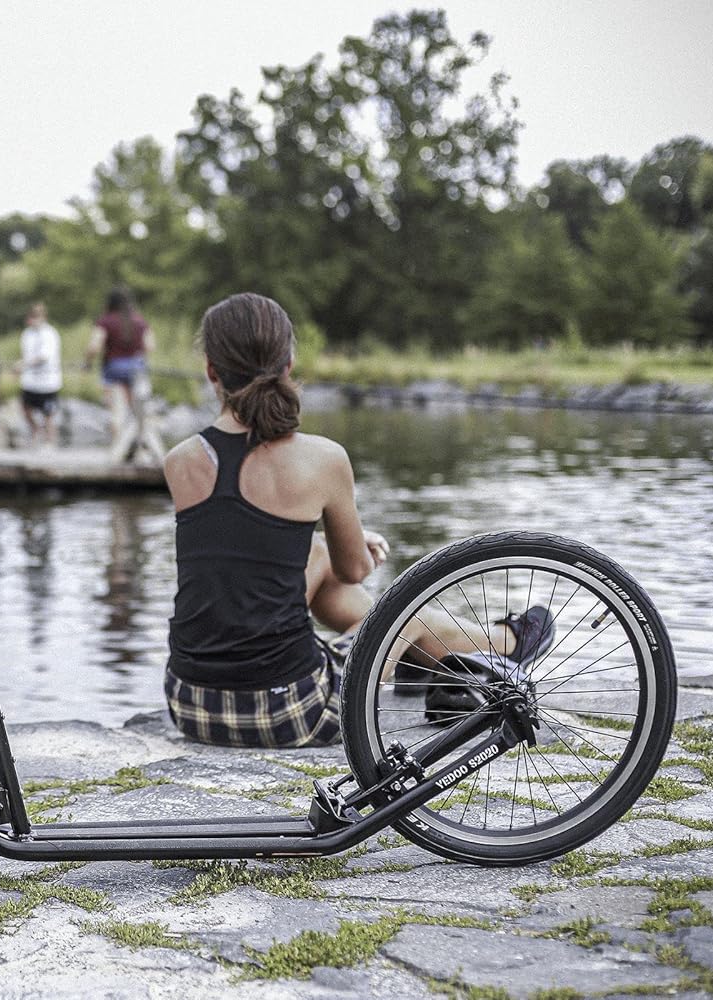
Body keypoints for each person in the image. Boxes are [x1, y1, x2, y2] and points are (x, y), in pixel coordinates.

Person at [163, 292, 553, 748]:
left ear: (211, 370)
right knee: (405, 614)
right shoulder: (322, 459)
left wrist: (325, 545)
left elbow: (235, 560)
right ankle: (505, 643)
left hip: (188, 704)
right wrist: (358, 546)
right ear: (288, 364)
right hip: (291, 712)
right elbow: (355, 572)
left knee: (313, 553)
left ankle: (428, 661)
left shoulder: (180, 460)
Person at [85, 287, 156, 448]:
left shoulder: (105, 321)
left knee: (117, 412)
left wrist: (87, 362)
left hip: (113, 370)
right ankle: (139, 447)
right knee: (138, 411)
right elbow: (150, 346)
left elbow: (94, 346)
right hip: (137, 369)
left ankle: (118, 446)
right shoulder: (139, 321)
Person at [16, 303, 62, 446]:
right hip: (30, 381)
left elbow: (44, 356)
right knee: (25, 409)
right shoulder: (26, 334)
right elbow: (26, 354)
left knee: (48, 415)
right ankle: (36, 431)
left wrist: (25, 364)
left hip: (48, 382)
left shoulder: (50, 334)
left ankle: (50, 443)